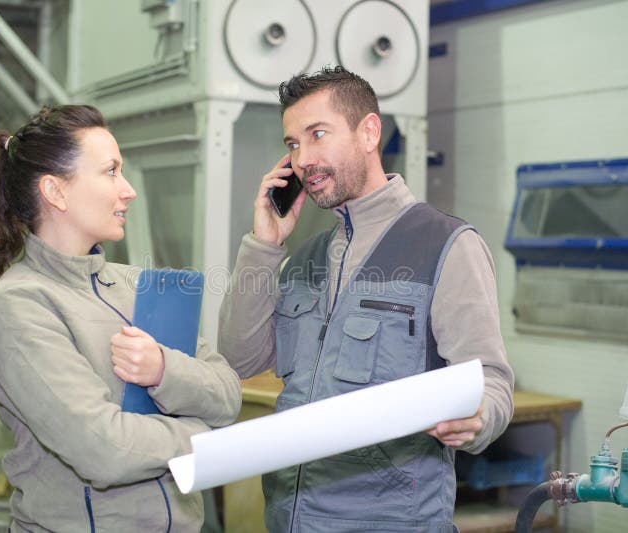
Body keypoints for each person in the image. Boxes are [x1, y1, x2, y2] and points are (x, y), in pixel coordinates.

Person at [218, 66, 514, 532]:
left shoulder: (446, 244)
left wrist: (478, 416)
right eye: (293, 144)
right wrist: (263, 246)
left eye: (318, 135)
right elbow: (239, 358)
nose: (303, 159)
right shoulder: (306, 257)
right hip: (289, 519)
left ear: (369, 132)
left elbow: (492, 383)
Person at [0, 104, 242, 532]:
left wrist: (165, 370)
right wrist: (211, 438)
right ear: (56, 192)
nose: (128, 189)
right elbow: (105, 451)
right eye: (111, 171)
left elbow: (228, 395)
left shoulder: (143, 287)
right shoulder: (18, 306)